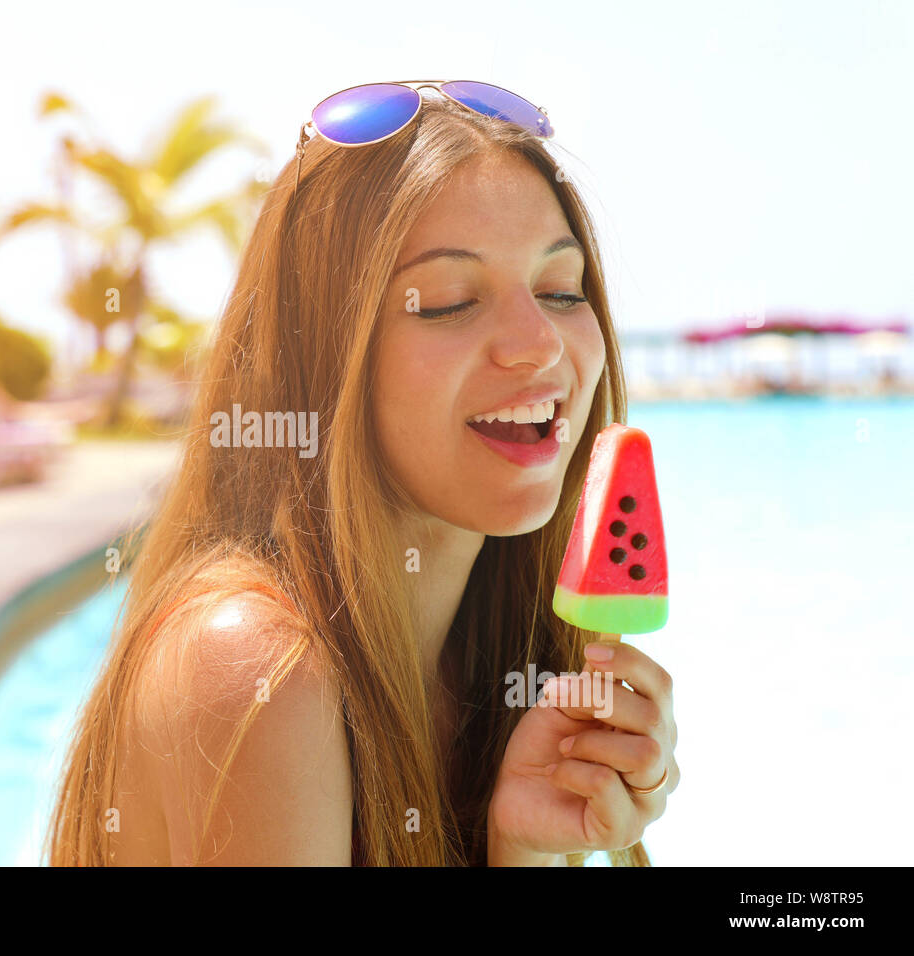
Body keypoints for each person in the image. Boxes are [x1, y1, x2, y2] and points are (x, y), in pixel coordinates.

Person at [47, 81, 679, 866]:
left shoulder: (491, 665)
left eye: (560, 290)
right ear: (321, 359)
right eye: (449, 301)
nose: (538, 343)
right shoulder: (256, 672)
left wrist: (523, 848)